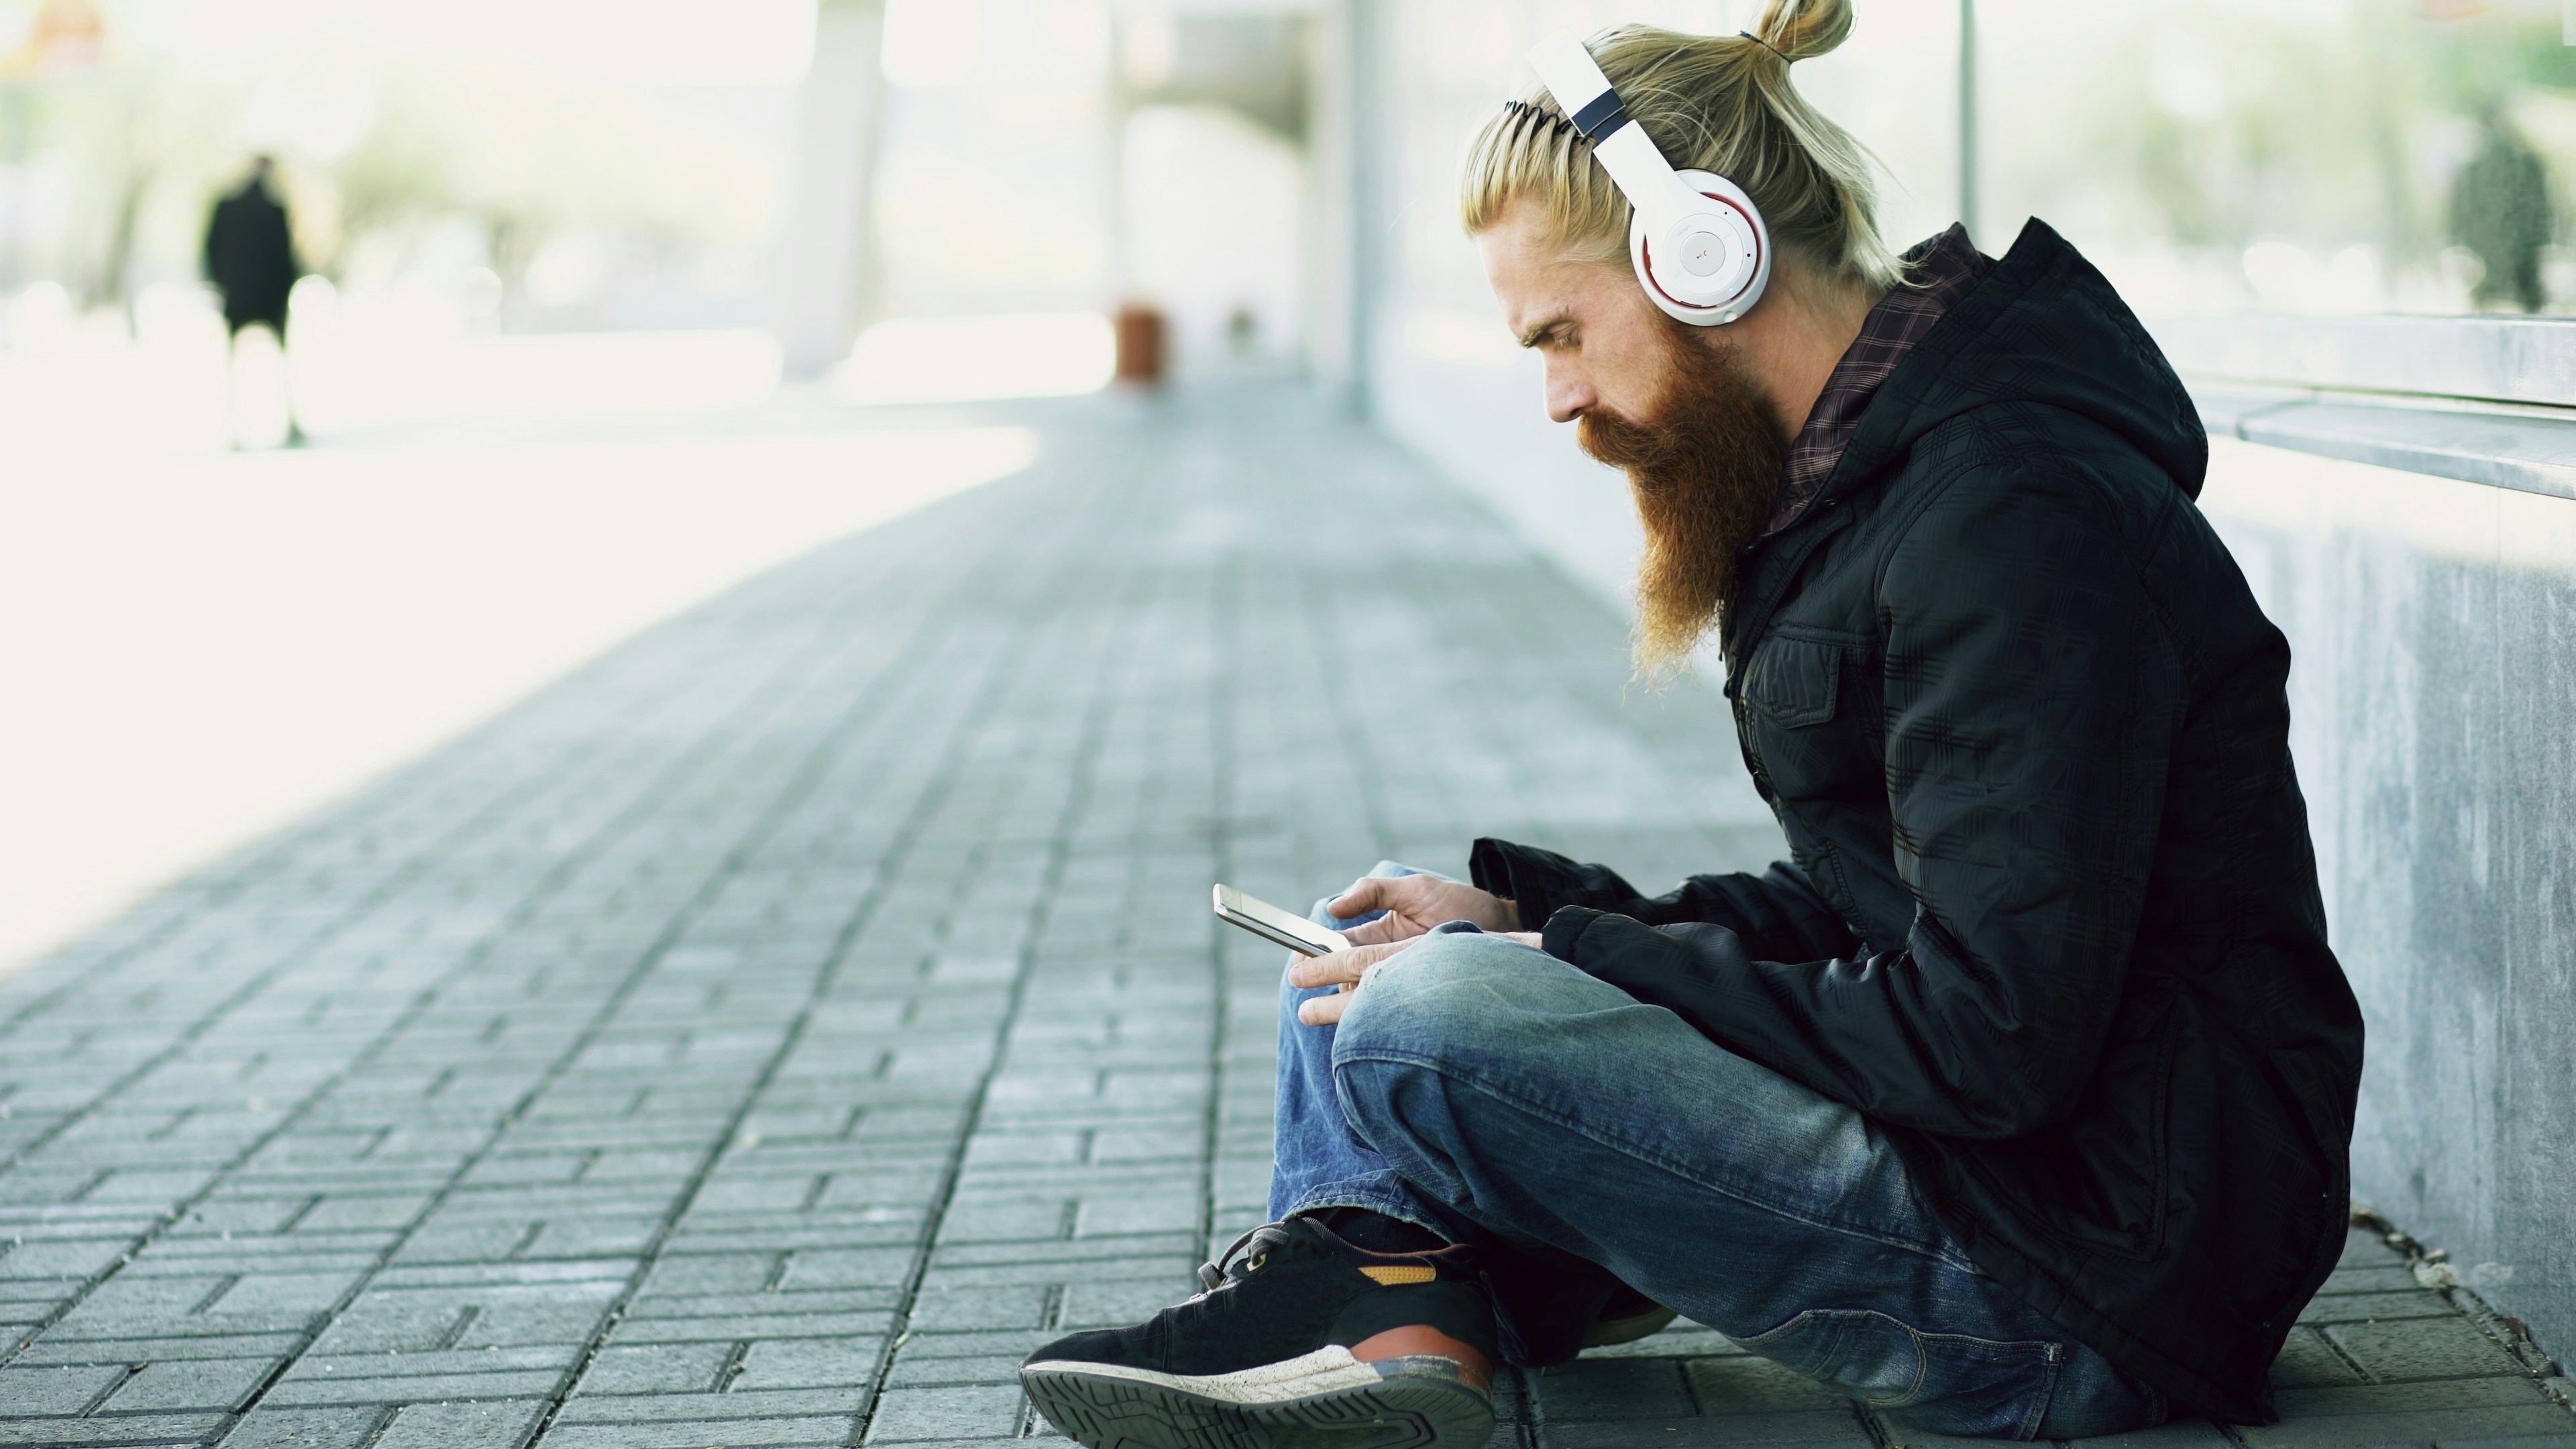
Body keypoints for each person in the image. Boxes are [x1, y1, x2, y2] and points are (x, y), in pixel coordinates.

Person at [1019, 3, 2363, 1443]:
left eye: (1561, 332)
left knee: (1426, 1018)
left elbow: (1989, 1036)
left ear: (1700, 254)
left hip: (2089, 1285)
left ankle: (1411, 1293)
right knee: (1357, 963)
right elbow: (1875, 909)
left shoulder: (2009, 521)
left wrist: (1562, 958)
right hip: (2022, 1194)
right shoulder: (1878, 497)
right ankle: (1398, 1300)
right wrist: (1532, 909)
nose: (1556, 396)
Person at [201, 156, 304, 445]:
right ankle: (288, 421)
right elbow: (287, 260)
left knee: (233, 362)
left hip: (238, 296)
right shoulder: (275, 210)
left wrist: (221, 287)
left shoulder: (226, 207)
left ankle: (234, 427)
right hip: (269, 298)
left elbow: (211, 250)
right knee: (281, 359)